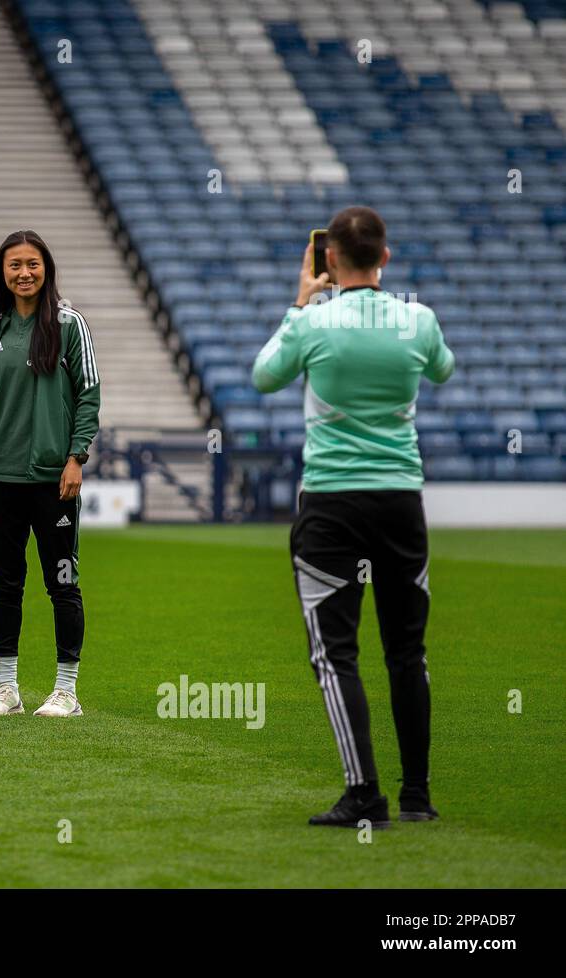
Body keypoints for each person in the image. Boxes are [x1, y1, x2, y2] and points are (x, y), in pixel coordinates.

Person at [252, 206, 454, 828]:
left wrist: (301, 302)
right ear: (385, 257)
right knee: (407, 650)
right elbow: (443, 369)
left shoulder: (316, 320)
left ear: (330, 258)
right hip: (400, 500)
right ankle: (416, 795)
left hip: (332, 502)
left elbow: (265, 376)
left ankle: (364, 793)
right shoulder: (419, 319)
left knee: (335, 652)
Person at [0, 230, 100, 718]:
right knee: (4, 585)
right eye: (14, 265)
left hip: (53, 480)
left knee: (62, 583)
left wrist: (76, 457)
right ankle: (6, 688)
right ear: (2, 273)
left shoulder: (69, 324)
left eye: (32, 264)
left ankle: (66, 690)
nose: (24, 273)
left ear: (46, 268)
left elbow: (88, 394)